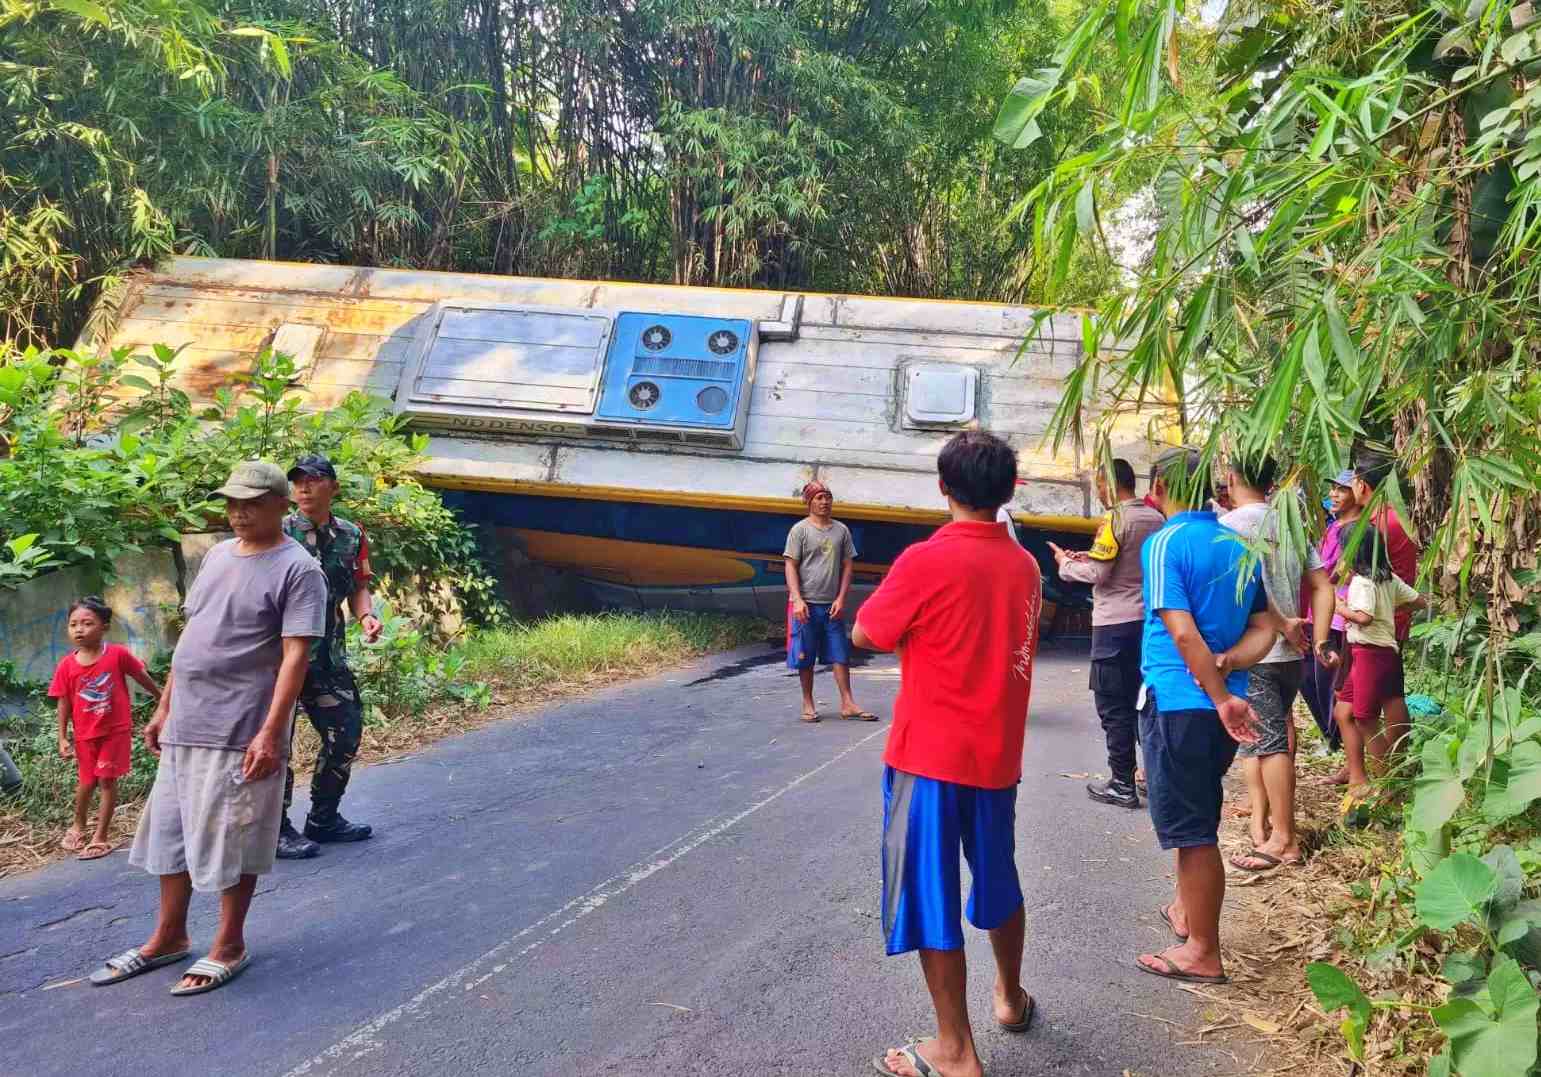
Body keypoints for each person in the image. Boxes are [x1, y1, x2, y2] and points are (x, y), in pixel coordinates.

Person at [93, 461, 326, 995]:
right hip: (187, 721)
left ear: (281, 505)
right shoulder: (219, 555)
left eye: (251, 503)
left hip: (241, 726)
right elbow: (192, 636)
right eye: (231, 503)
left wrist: (272, 732)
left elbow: (295, 658)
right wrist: (163, 707)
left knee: (232, 837)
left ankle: (229, 943)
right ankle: (169, 937)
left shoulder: (299, 569)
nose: (238, 513)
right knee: (169, 834)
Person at [854, 431, 1042, 1077]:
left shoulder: (923, 560)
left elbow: (866, 631)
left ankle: (955, 1050)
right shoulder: (1024, 566)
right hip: (996, 759)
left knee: (930, 895)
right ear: (1009, 490)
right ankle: (1010, 997)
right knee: (997, 878)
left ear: (942, 487)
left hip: (928, 760)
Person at [1136, 447, 1276, 985]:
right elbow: (1266, 627)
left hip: (1181, 704)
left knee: (1193, 832)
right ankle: (1187, 913)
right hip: (1218, 710)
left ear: (1160, 487)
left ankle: (1202, 950)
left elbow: (1181, 631)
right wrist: (1231, 669)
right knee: (1195, 819)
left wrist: (1218, 693)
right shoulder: (1237, 543)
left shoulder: (1166, 541)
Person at [1218, 457, 1337, 873]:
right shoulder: (1289, 525)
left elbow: (1244, 594)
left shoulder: (1230, 527)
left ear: (1232, 479)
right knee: (1266, 739)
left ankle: (1284, 839)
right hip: (1292, 655)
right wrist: (1319, 638)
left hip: (1258, 653)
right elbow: (1323, 585)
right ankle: (1264, 824)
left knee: (1269, 746)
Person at [275, 453, 383, 859]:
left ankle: (323, 817)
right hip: (280, 660)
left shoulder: (352, 535)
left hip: (326, 659)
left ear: (333, 487)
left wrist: (367, 616)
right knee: (276, 744)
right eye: (298, 481)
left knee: (346, 731)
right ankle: (276, 829)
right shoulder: (278, 532)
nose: (303, 487)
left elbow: (358, 585)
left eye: (314, 479)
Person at [1048, 459, 1164, 809]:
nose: (1097, 491)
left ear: (1110, 484)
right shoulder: (1156, 519)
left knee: (1113, 705)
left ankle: (1122, 784)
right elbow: (1120, 560)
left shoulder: (1115, 519)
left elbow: (1099, 574)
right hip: (1147, 624)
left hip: (1114, 625)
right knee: (1142, 703)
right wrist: (1087, 556)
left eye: (1098, 483)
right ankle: (1153, 779)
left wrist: (1065, 565)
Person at [50, 597, 162, 861]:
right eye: (73, 624)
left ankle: (100, 837)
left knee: (106, 780)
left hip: (115, 731)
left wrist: (162, 699)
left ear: (104, 627)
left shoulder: (118, 655)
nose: (79, 629)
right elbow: (63, 702)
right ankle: (78, 825)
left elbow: (141, 676)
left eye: (87, 623)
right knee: (87, 782)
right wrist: (62, 737)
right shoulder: (66, 665)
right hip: (84, 735)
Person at [1333, 531, 1427, 793]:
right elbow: (1419, 601)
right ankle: (1360, 775)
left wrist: (1341, 609)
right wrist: (1389, 609)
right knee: (1343, 711)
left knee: (1364, 717)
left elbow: (1364, 618)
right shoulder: (1388, 578)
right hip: (1382, 652)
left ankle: (1387, 782)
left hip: (1369, 653)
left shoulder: (1362, 582)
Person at [1349, 452, 1420, 761]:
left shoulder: (1375, 525)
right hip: (1396, 612)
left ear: (1363, 485)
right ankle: (1395, 762)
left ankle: (1383, 765)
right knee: (1392, 691)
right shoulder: (1398, 517)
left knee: (1366, 707)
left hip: (1376, 619)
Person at [784, 481, 875, 722]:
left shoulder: (841, 530)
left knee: (840, 653)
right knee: (806, 654)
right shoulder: (799, 530)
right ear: (809, 502)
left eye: (828, 497)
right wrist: (797, 600)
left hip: (831, 604)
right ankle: (808, 703)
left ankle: (848, 703)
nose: (825, 502)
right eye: (819, 497)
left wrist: (841, 597)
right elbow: (790, 565)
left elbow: (847, 566)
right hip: (805, 605)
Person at [1300, 470, 1360, 751]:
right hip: (1320, 612)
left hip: (1337, 617)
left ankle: (1337, 740)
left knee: (1328, 682)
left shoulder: (1356, 528)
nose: (1334, 494)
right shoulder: (1334, 526)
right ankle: (1332, 737)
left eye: (1342, 489)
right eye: (1333, 489)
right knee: (1309, 679)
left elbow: (1333, 573)